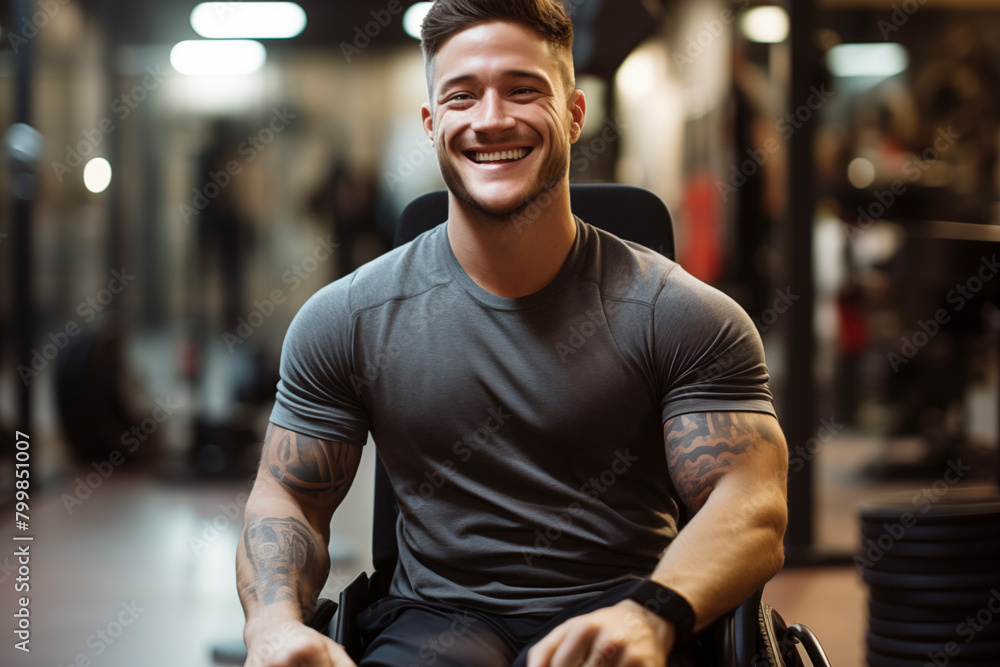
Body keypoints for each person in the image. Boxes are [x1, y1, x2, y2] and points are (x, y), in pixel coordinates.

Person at [236, 1, 789, 665]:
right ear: (431, 121)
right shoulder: (347, 319)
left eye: (522, 90)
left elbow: (750, 500)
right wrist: (272, 622)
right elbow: (290, 493)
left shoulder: (681, 314)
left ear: (574, 114)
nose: (491, 118)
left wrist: (654, 613)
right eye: (462, 96)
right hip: (434, 619)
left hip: (624, 608)